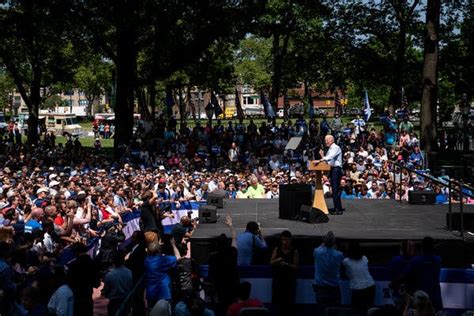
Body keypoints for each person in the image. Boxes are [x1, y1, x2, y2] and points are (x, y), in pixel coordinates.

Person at [208, 216, 239, 316]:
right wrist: (231, 226)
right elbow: (234, 238)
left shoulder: (213, 256)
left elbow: (211, 273)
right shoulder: (232, 252)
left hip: (220, 287)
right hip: (232, 286)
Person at [402, 237, 442, 311]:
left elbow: (405, 275)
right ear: (433, 247)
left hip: (420, 299)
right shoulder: (438, 260)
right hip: (434, 297)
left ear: (422, 247)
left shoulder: (415, 261)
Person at [144, 238, 181, 308]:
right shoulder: (163, 260)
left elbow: (149, 251)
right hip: (163, 295)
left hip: (151, 294)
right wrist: (173, 245)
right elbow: (178, 257)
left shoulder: (146, 261)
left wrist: (157, 246)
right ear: (159, 250)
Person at [313, 231, 344, 312]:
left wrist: (324, 243)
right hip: (334, 288)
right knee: (335, 311)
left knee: (321, 311)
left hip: (321, 289)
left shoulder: (317, 252)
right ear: (334, 243)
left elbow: (319, 248)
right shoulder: (339, 255)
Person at [270, 230, 299, 316]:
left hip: (289, 283)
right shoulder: (277, 249)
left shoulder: (295, 251)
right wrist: (278, 260)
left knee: (289, 306)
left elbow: (296, 267)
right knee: (278, 306)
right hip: (278, 282)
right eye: (283, 240)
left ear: (290, 240)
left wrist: (286, 264)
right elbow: (271, 262)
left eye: (286, 240)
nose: (285, 242)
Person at [342, 241, 375, 316]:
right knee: (368, 311)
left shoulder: (346, 261)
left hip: (358, 289)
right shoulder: (365, 258)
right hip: (370, 287)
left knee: (357, 312)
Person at [315, 135, 344, 214]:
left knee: (335, 190)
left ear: (332, 140)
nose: (326, 142)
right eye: (325, 140)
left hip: (336, 170)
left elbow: (329, 157)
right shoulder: (330, 149)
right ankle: (337, 207)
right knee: (334, 190)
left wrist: (319, 160)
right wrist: (322, 156)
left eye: (327, 140)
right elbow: (327, 161)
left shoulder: (335, 148)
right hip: (332, 169)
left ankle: (338, 210)